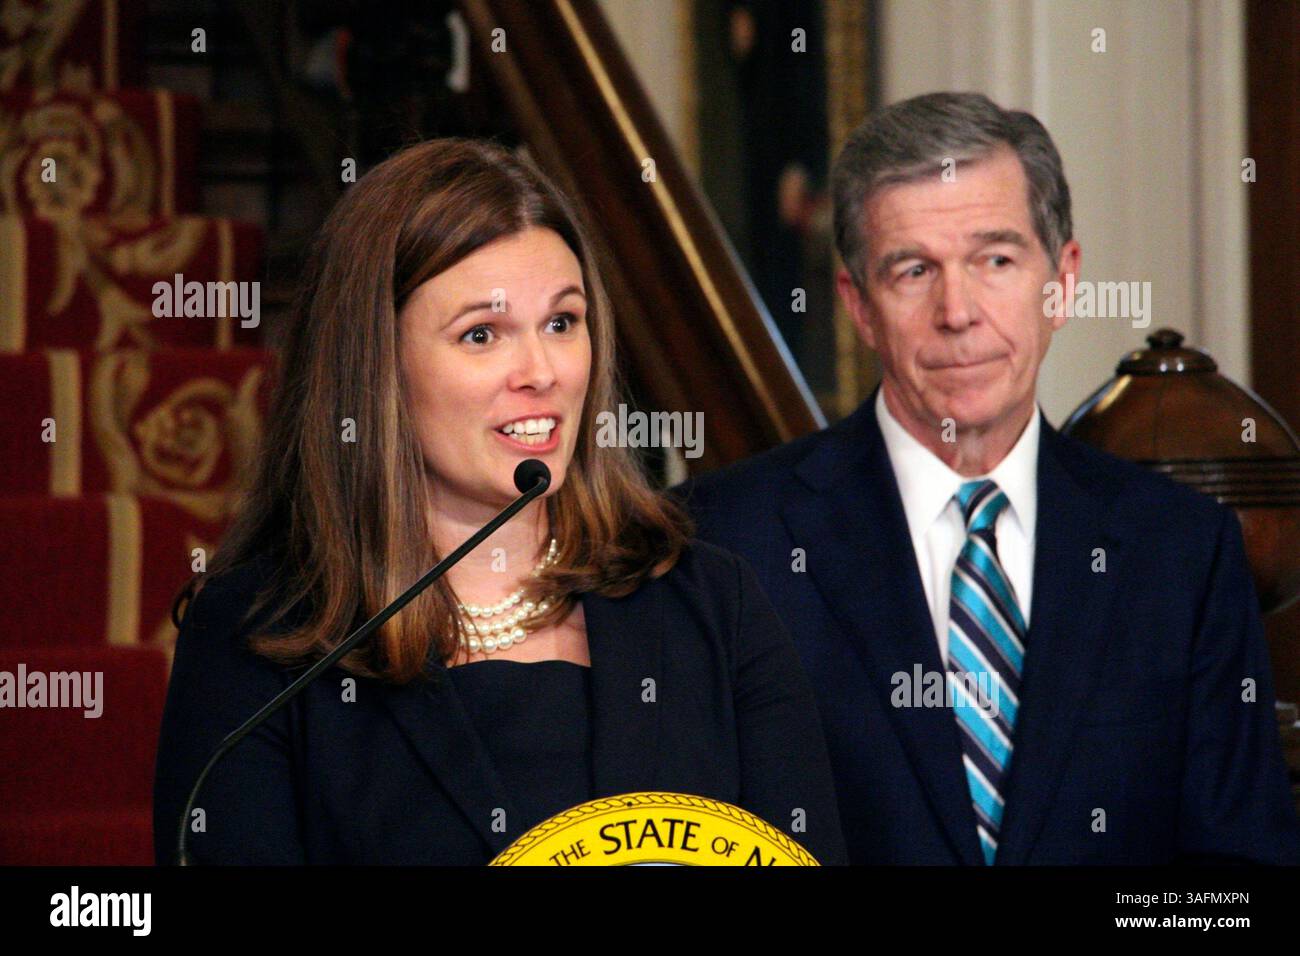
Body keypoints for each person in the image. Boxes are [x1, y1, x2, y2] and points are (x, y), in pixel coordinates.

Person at [152, 138, 847, 866]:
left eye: (562, 323)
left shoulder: (714, 606)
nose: (541, 371)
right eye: (482, 334)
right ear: (375, 366)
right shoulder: (260, 643)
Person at [677, 91, 1300, 865]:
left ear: (1062, 281)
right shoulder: (722, 543)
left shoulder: (1179, 550)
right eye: (913, 271)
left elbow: (1234, 887)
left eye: (995, 260)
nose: (958, 311)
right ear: (859, 307)